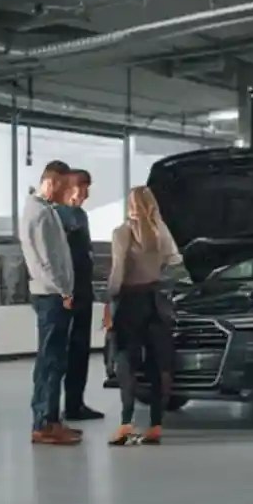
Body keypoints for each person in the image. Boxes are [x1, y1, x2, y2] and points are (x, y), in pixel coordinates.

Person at [105, 186, 182, 446]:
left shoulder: (122, 233)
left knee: (126, 363)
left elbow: (117, 273)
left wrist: (109, 299)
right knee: (156, 365)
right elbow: (175, 261)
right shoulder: (161, 231)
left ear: (130, 206)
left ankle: (126, 424)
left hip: (130, 303)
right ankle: (156, 426)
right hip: (156, 302)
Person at [20, 162, 80, 446]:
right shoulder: (40, 214)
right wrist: (64, 291)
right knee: (50, 361)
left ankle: (51, 419)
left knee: (55, 359)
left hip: (53, 294)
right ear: (52, 182)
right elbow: (46, 262)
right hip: (51, 296)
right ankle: (44, 423)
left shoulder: (45, 210)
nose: (69, 192)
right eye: (66, 186)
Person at [61, 169, 104, 421]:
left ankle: (76, 403)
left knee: (80, 350)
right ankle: (54, 410)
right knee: (64, 352)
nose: (87, 193)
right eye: (83, 187)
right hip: (68, 291)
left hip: (84, 290)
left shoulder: (81, 215)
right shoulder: (58, 215)